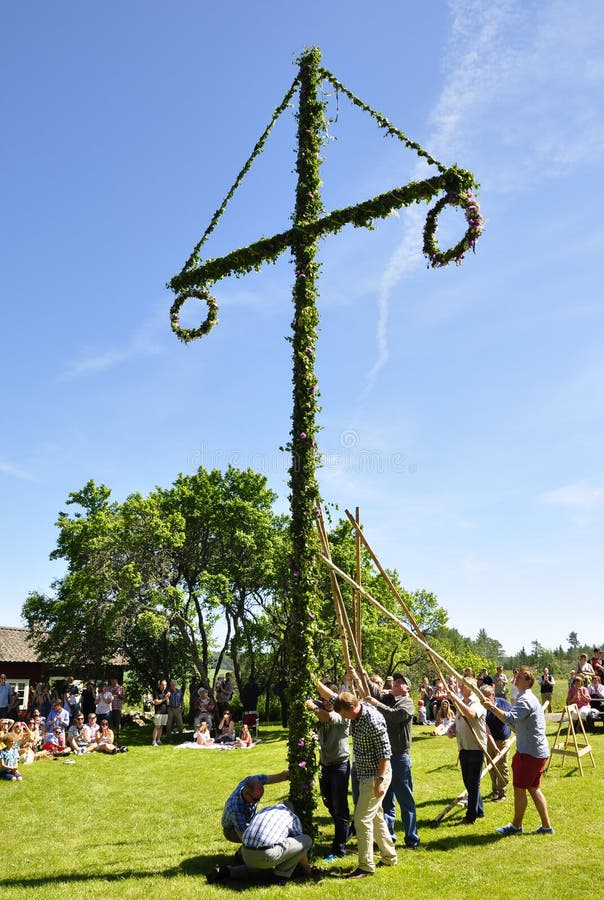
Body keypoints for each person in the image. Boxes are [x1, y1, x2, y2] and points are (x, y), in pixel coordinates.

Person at [332, 690, 397, 878]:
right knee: (375, 818)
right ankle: (389, 856)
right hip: (365, 775)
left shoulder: (373, 721)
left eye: (345, 715)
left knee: (361, 820)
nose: (344, 719)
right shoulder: (356, 711)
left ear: (352, 708)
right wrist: (315, 682)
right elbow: (332, 697)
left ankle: (366, 866)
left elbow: (385, 754)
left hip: (375, 777)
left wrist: (379, 781)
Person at [484, 666, 553, 836]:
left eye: (521, 676)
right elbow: (514, 723)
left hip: (530, 753)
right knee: (533, 788)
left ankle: (516, 826)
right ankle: (546, 827)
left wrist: (492, 707)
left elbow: (510, 717)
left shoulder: (526, 700)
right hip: (535, 751)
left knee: (520, 789)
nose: (516, 677)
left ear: (528, 681)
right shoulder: (526, 698)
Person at [365, 673, 420, 849]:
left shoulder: (407, 702)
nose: (396, 683)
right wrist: (361, 675)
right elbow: (373, 691)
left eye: (401, 682)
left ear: (407, 689)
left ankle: (412, 838)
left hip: (400, 758)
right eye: (395, 681)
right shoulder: (388, 699)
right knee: (386, 799)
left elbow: (396, 716)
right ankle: (389, 836)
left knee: (405, 799)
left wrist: (377, 704)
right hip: (385, 758)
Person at [209, 803, 315, 886]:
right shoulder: (292, 817)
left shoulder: (264, 810)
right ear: (291, 810)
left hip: (246, 852)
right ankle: (281, 876)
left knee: (260, 868)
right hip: (266, 854)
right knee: (306, 839)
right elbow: (301, 846)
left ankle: (227, 871)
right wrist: (307, 869)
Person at [307, 683, 350, 860]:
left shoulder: (342, 715)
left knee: (340, 808)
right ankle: (346, 831)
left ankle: (339, 849)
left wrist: (313, 707)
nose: (325, 703)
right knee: (329, 803)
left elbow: (328, 718)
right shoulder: (322, 712)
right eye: (323, 700)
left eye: (328, 700)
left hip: (340, 766)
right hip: (325, 766)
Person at [446, 678, 487, 825]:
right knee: (468, 782)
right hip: (464, 746)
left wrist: (455, 699)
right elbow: (460, 720)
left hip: (475, 747)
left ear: (471, 687)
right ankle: (479, 810)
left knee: (473, 783)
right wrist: (452, 729)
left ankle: (470, 817)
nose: (460, 687)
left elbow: (470, 714)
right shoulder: (461, 702)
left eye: (463, 685)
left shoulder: (477, 702)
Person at [221, 769, 290, 843]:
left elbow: (279, 777)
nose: (258, 801)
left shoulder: (253, 780)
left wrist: (291, 772)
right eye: (255, 799)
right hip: (231, 830)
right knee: (259, 837)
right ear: (246, 794)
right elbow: (243, 835)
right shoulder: (235, 807)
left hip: (247, 821)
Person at [481, 684, 511, 802]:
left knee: (502, 767)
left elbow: (512, 717)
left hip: (503, 741)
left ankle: (503, 793)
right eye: (481, 696)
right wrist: (493, 746)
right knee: (491, 767)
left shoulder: (503, 703)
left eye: (485, 696)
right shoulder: (481, 707)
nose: (483, 699)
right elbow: (486, 730)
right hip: (489, 741)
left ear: (492, 695)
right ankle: (495, 791)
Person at [151, 679, 169, 746]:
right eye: (163, 685)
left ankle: (158, 740)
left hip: (165, 711)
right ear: (160, 685)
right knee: (157, 726)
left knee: (161, 726)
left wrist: (167, 698)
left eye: (165, 685)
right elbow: (156, 702)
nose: (164, 686)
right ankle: (154, 741)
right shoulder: (156, 692)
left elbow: (168, 703)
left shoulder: (166, 692)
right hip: (158, 711)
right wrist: (164, 699)